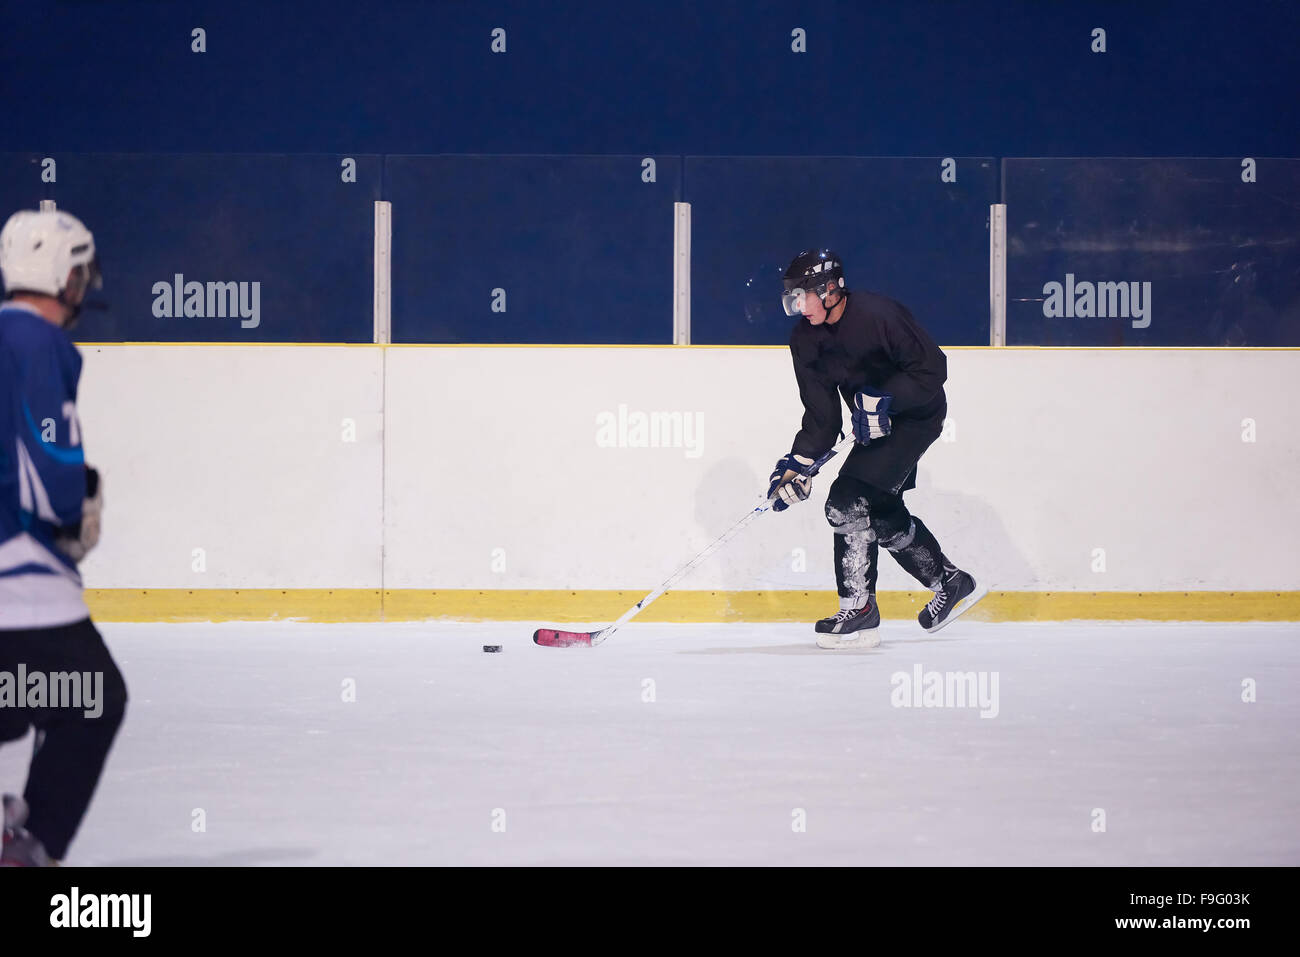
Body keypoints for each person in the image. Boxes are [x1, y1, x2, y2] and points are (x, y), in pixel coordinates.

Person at [767, 249, 985, 649]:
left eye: (803, 295)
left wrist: (884, 398)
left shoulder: (879, 315)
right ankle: (949, 580)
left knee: (845, 503)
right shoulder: (804, 339)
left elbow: (933, 370)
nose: (797, 305)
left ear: (830, 289)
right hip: (872, 424)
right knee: (880, 511)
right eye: (793, 297)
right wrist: (796, 466)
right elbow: (823, 418)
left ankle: (859, 608)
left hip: (916, 416)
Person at [0, 208, 126, 865]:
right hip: (22, 584)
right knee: (94, 698)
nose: (82, 285)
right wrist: (77, 503)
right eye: (78, 272)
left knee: (16, 705)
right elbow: (50, 470)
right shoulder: (40, 345)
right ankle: (29, 844)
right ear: (60, 273)